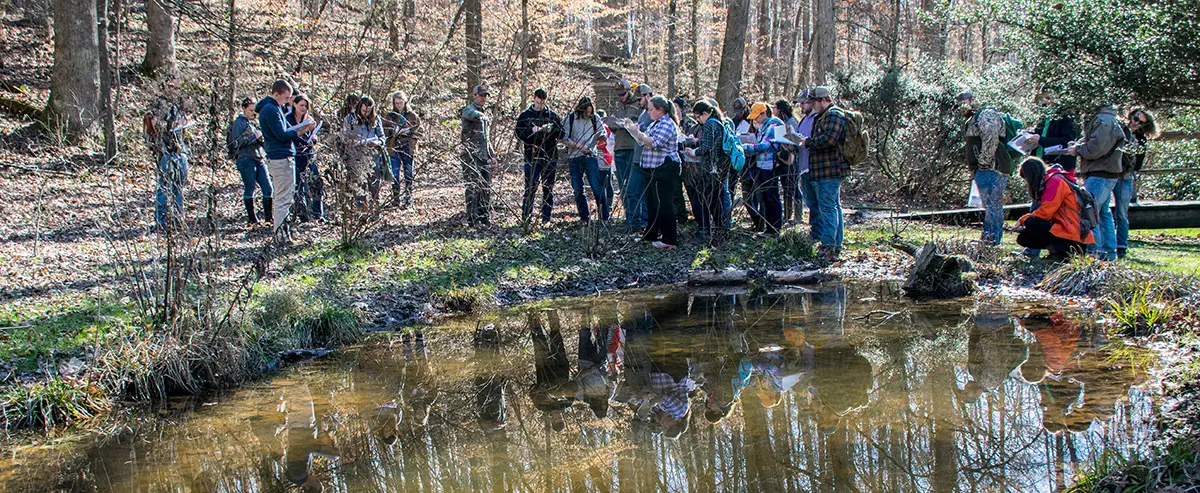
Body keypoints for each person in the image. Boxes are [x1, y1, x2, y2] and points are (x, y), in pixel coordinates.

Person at [1020, 87, 1079, 257]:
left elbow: (1068, 141)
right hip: (1039, 166)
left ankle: (1034, 249)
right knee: (1036, 203)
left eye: (1048, 97)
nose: (1045, 101)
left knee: (1043, 207)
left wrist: (1042, 140)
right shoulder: (1043, 117)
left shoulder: (1066, 118)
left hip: (1056, 168)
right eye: (1043, 98)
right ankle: (1034, 248)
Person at [257, 79, 316, 237]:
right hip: (280, 157)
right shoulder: (270, 109)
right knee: (283, 198)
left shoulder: (275, 108)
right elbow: (281, 135)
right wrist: (303, 130)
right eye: (286, 97)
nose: (288, 101)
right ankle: (280, 234)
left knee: (286, 197)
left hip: (283, 155)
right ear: (276, 94)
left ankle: (283, 232)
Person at [622, 96, 681, 249]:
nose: (648, 113)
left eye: (651, 109)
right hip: (652, 169)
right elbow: (643, 141)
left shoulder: (667, 124)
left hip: (665, 168)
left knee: (664, 204)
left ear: (660, 110)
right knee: (652, 204)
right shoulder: (656, 123)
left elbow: (654, 142)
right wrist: (634, 131)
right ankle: (651, 234)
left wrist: (639, 134)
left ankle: (669, 239)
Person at [1068, 103, 1125, 261]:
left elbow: (1096, 149)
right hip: (1105, 172)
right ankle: (1108, 254)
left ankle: (1095, 254)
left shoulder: (1103, 120)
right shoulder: (1109, 119)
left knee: (1089, 211)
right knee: (1103, 213)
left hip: (1101, 172)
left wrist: (1078, 150)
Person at [801, 87, 849, 257]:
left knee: (828, 208)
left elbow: (829, 139)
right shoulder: (823, 116)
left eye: (814, 102)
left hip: (830, 170)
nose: (812, 105)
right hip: (822, 171)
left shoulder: (834, 114)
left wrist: (808, 142)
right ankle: (834, 245)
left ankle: (829, 245)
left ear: (823, 100)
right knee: (832, 207)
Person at [958, 91, 1012, 246]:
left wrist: (983, 163)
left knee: (993, 204)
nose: (961, 109)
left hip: (992, 168)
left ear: (972, 100)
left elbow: (991, 139)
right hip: (983, 169)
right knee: (988, 205)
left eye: (964, 104)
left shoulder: (986, 114)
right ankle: (987, 237)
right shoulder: (972, 119)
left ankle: (993, 240)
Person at [1015, 157, 1095, 260]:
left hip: (1073, 236)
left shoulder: (1054, 182)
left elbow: (1045, 213)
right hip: (1070, 233)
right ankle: (1057, 254)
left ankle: (1060, 254)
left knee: (1032, 223)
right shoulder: (1052, 180)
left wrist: (1022, 220)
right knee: (1024, 236)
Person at [146, 74, 193, 229]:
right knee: (164, 186)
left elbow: (188, 117)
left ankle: (178, 219)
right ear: (165, 86)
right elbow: (154, 125)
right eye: (171, 87)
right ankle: (161, 220)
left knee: (179, 185)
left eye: (177, 87)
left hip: (179, 148)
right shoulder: (158, 104)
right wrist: (171, 125)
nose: (175, 90)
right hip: (164, 149)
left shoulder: (178, 105)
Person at [515, 88, 563, 225]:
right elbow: (519, 133)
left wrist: (551, 130)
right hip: (532, 157)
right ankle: (526, 218)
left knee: (548, 188)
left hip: (550, 156)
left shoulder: (552, 115)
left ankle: (546, 219)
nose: (540, 106)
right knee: (530, 188)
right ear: (533, 99)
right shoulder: (525, 115)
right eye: (537, 103)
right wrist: (531, 130)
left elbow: (561, 133)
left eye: (542, 103)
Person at [687, 99, 732, 241]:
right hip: (719, 168)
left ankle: (705, 230)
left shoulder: (710, 124)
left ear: (705, 113)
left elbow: (708, 147)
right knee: (715, 201)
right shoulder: (718, 123)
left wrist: (693, 152)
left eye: (698, 116)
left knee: (701, 200)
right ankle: (719, 230)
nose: (697, 120)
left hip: (710, 169)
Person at [608, 80, 648, 230]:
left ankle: (642, 219)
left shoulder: (637, 105)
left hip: (633, 149)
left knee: (635, 186)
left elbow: (637, 125)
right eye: (618, 95)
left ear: (629, 91)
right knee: (624, 187)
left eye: (623, 94)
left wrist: (625, 124)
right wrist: (616, 123)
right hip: (619, 149)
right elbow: (612, 124)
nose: (621, 97)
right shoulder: (619, 106)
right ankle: (630, 218)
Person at [562, 96, 609, 223]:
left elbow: (603, 132)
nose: (589, 114)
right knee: (577, 188)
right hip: (574, 157)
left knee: (596, 186)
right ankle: (584, 217)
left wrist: (601, 137)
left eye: (590, 112)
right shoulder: (570, 118)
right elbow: (563, 138)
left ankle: (604, 216)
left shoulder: (595, 118)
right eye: (586, 112)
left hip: (590, 156)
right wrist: (579, 146)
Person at [741, 102, 784, 234]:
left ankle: (774, 228)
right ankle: (768, 228)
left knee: (772, 197)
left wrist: (744, 147)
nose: (754, 120)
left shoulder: (772, 126)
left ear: (764, 113)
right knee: (765, 198)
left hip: (770, 166)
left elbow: (764, 146)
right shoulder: (763, 126)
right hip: (762, 166)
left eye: (756, 116)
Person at [227, 97, 271, 227]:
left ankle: (269, 218)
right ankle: (252, 219)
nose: (253, 113)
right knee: (250, 188)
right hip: (245, 159)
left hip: (259, 157)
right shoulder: (239, 123)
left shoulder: (253, 123)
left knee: (268, 188)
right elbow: (236, 143)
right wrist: (254, 137)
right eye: (251, 110)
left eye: (254, 111)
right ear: (244, 109)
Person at [343, 95, 387, 206]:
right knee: (359, 187)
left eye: (368, 111)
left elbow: (382, 138)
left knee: (375, 185)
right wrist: (351, 141)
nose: (366, 113)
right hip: (356, 156)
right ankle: (361, 210)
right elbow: (344, 137)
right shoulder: (350, 118)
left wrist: (377, 143)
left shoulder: (376, 119)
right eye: (363, 110)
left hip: (373, 156)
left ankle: (375, 208)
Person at [461, 84, 495, 227]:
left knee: (485, 187)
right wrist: (482, 116)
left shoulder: (484, 115)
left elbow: (486, 138)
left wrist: (492, 155)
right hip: (471, 156)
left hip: (483, 156)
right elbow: (469, 114)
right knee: (473, 188)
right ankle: (472, 219)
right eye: (481, 95)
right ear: (474, 95)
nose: (483, 98)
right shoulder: (469, 110)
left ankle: (484, 217)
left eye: (485, 96)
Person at [385, 91, 423, 208]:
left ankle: (408, 198)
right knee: (395, 174)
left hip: (408, 147)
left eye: (400, 103)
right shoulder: (390, 116)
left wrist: (410, 132)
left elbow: (420, 131)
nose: (398, 105)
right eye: (396, 103)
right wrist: (393, 131)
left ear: (405, 102)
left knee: (408, 173)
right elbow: (384, 130)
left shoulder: (412, 115)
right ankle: (396, 199)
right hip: (394, 147)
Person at [288, 93, 322, 222]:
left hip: (308, 154)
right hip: (296, 156)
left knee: (316, 183)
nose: (303, 108)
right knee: (299, 187)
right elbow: (288, 135)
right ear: (294, 104)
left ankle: (318, 214)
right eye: (301, 105)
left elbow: (313, 136)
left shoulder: (309, 119)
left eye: (306, 106)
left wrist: (314, 138)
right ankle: (303, 215)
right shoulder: (288, 119)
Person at [794, 90, 818, 235]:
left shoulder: (818, 118)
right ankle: (815, 233)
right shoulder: (803, 119)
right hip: (803, 167)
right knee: (811, 203)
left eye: (804, 103)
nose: (801, 106)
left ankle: (820, 235)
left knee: (819, 204)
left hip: (814, 167)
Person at [774, 100, 802, 223]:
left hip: (793, 159)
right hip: (783, 159)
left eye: (775, 107)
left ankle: (797, 217)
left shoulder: (791, 122)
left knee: (793, 187)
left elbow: (797, 140)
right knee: (786, 187)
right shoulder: (781, 122)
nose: (774, 110)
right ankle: (787, 217)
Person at [1126, 108, 1157, 206]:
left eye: (1141, 122)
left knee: (1129, 196)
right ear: (1131, 116)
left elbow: (1140, 157)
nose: (1137, 123)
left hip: (1128, 170)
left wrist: (1133, 169)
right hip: (1112, 168)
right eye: (1136, 119)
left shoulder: (1140, 137)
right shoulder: (1119, 129)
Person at [596, 109, 616, 211]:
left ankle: (608, 205)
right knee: (602, 182)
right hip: (599, 157)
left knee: (607, 182)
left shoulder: (607, 128)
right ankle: (603, 205)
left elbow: (608, 142)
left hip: (605, 157)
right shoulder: (596, 126)